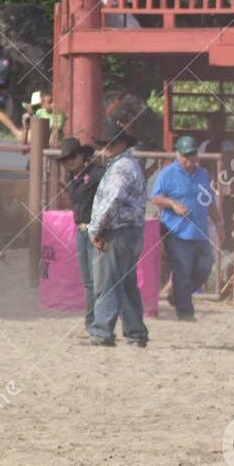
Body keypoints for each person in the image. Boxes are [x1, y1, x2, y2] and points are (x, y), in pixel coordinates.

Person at [86, 125, 149, 348]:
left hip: (118, 232)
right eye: (103, 144)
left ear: (122, 143)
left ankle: (102, 331)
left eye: (109, 143)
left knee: (109, 282)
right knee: (127, 284)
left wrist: (95, 229)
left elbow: (111, 202)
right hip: (132, 232)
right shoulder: (130, 165)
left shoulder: (120, 168)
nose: (105, 148)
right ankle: (135, 332)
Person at [149, 135, 219, 320]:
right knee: (182, 271)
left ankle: (177, 295)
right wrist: (172, 203)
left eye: (192, 155)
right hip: (176, 233)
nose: (189, 160)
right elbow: (156, 198)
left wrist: (219, 223)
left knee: (205, 267)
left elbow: (210, 200)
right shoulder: (167, 174)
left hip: (200, 231)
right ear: (177, 155)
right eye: (185, 156)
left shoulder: (202, 174)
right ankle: (186, 312)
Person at [58, 138, 103, 330]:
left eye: (72, 157)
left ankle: (95, 320)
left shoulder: (97, 174)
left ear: (83, 155)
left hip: (96, 230)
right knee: (88, 280)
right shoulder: (71, 177)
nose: (69, 161)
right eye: (66, 159)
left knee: (96, 280)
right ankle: (92, 319)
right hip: (81, 230)